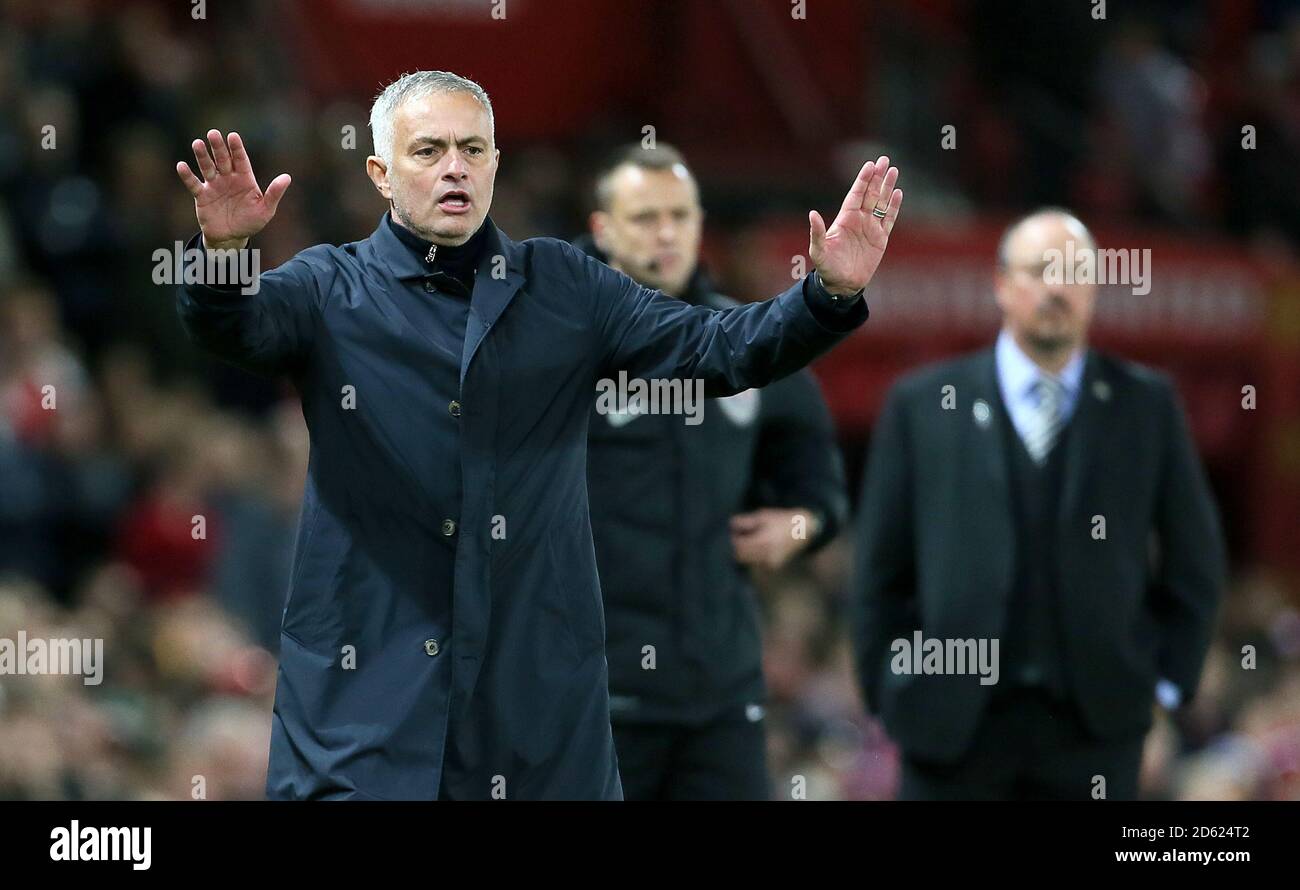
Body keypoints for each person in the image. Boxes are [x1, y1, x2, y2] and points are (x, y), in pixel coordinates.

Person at [173, 70, 903, 800]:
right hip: (365, 706)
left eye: (473, 148)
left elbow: (717, 347)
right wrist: (227, 251)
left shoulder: (565, 286)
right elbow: (234, 327)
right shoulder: (328, 287)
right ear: (381, 174)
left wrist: (826, 293)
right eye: (427, 150)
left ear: (494, 164)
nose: (455, 166)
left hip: (537, 717)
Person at [852, 208, 1224, 800]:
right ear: (1001, 284)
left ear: (1096, 289)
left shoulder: (1147, 406)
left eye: (1074, 271)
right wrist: (887, 686)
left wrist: (1167, 681)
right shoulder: (921, 405)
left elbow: (1195, 562)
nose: (1055, 287)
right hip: (948, 728)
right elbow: (878, 570)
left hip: (1096, 731)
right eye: (1038, 270)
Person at [574, 144, 848, 800]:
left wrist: (802, 524)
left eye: (680, 215)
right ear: (602, 230)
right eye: (644, 218)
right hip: (587, 696)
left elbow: (819, 485)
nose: (666, 232)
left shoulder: (750, 342)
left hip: (719, 694)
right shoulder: (555, 347)